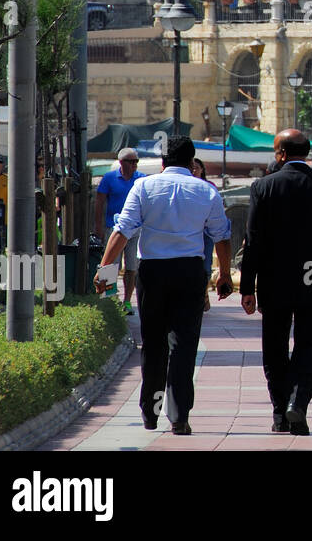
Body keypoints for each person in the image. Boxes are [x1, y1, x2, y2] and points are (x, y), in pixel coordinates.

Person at [95, 136, 232, 435]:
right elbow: (221, 235)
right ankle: (179, 414)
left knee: (154, 342)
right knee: (184, 344)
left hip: (153, 271)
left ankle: (150, 410)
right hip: (190, 271)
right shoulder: (206, 190)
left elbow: (123, 229)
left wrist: (105, 268)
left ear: (162, 161)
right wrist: (223, 275)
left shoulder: (143, 187)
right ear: (192, 162)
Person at [239, 130, 312, 436]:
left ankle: (279, 413)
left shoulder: (263, 187)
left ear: (281, 154)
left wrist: (247, 286)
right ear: (308, 151)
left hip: (275, 282)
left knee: (274, 348)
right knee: (311, 346)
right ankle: (298, 402)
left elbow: (253, 241)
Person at [94, 147, 146, 315]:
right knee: (110, 266)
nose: (135, 165)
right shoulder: (109, 178)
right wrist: (98, 227)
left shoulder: (141, 179)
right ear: (122, 162)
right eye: (132, 162)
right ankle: (109, 300)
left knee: (132, 267)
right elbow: (99, 202)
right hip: (113, 228)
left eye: (136, 162)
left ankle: (127, 302)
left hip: (136, 230)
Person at [192, 158, 219, 312]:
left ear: (202, 170)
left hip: (206, 233)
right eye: (192, 167)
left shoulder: (210, 187)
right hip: (190, 231)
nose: (194, 170)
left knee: (206, 264)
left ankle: (204, 294)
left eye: (197, 168)